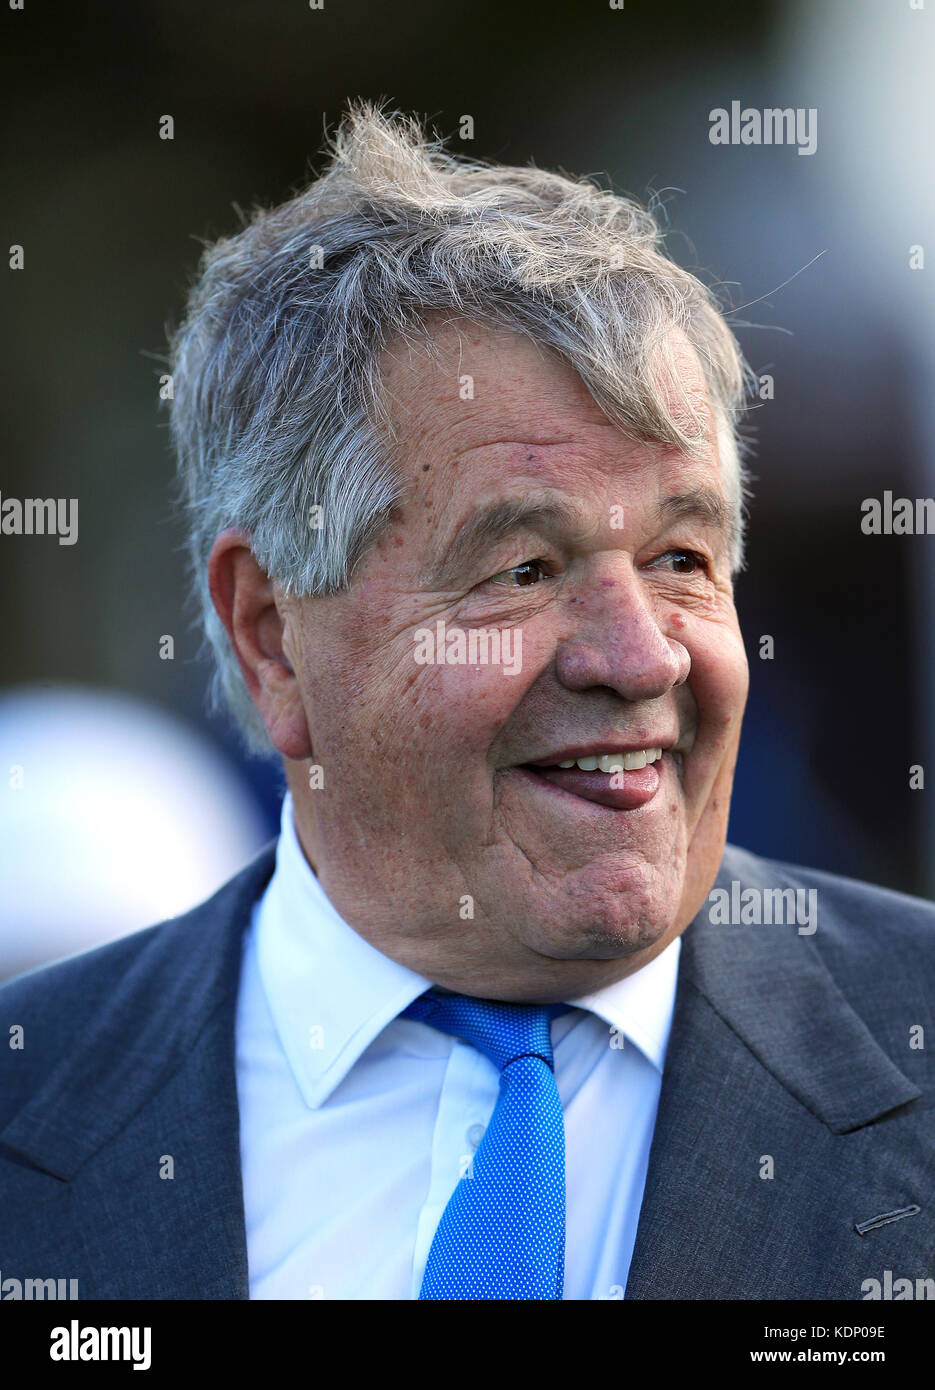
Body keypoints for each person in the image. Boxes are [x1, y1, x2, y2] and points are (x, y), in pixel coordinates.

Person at [1, 103, 932, 1302]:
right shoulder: (37, 1115)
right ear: (271, 631)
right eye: (524, 570)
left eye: (681, 559)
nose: (640, 658)